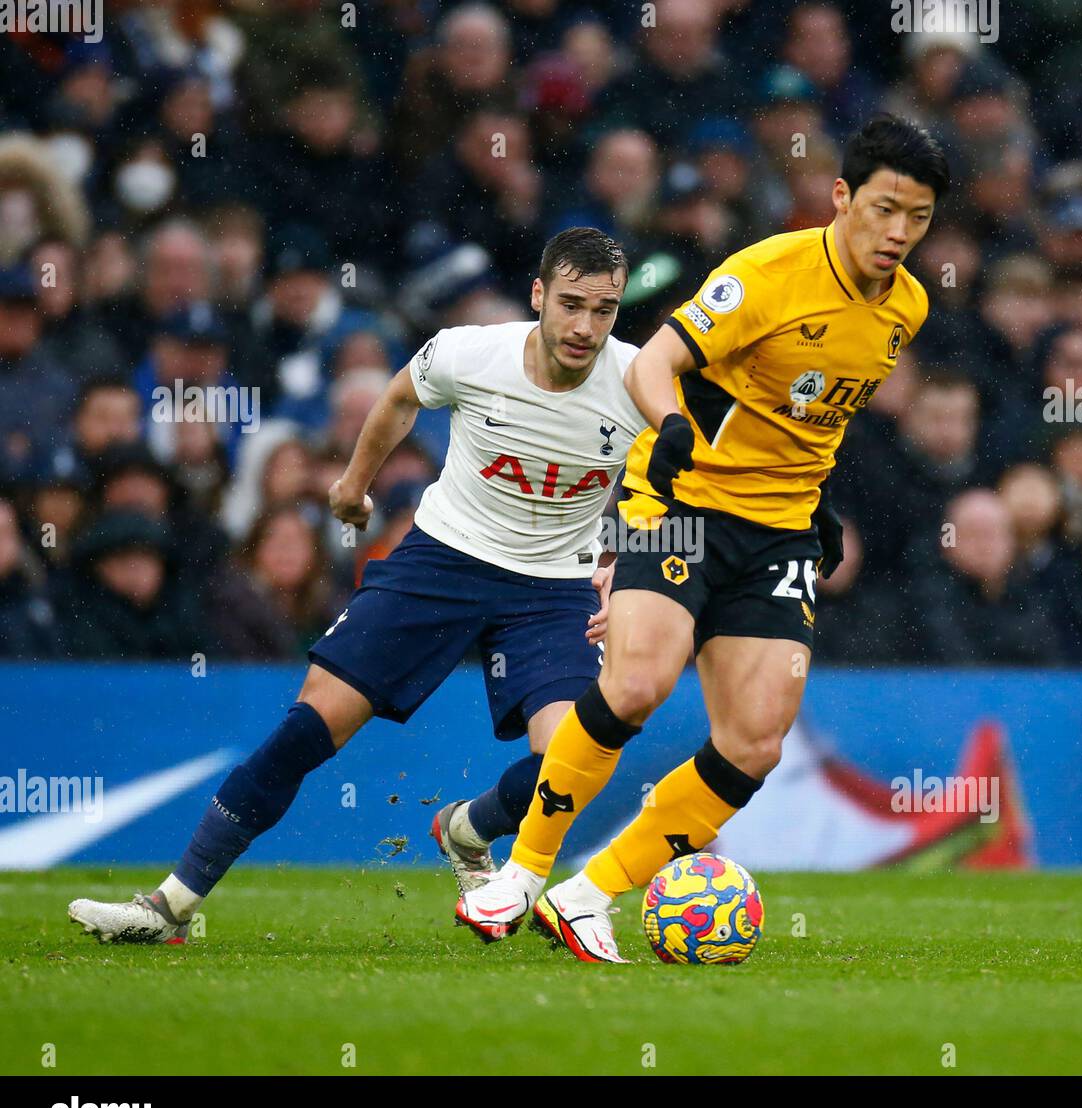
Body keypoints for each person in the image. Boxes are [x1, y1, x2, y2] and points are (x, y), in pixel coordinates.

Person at [66, 228, 649, 944]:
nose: (586, 327)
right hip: (445, 559)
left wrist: (633, 559)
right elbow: (401, 397)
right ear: (538, 296)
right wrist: (353, 483)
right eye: (571, 304)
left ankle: (468, 828)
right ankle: (168, 908)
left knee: (575, 755)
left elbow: (688, 474)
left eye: (605, 309)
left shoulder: (637, 379)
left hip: (554, 585)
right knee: (312, 725)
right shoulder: (473, 352)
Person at [457, 113, 948, 961]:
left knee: (754, 742)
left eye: (919, 218)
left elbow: (809, 415)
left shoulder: (908, 307)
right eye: (884, 210)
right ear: (841, 198)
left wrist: (815, 502)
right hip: (681, 498)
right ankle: (523, 872)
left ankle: (587, 892)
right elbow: (653, 363)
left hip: (779, 528)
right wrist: (675, 428)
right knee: (640, 683)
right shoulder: (766, 272)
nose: (899, 234)